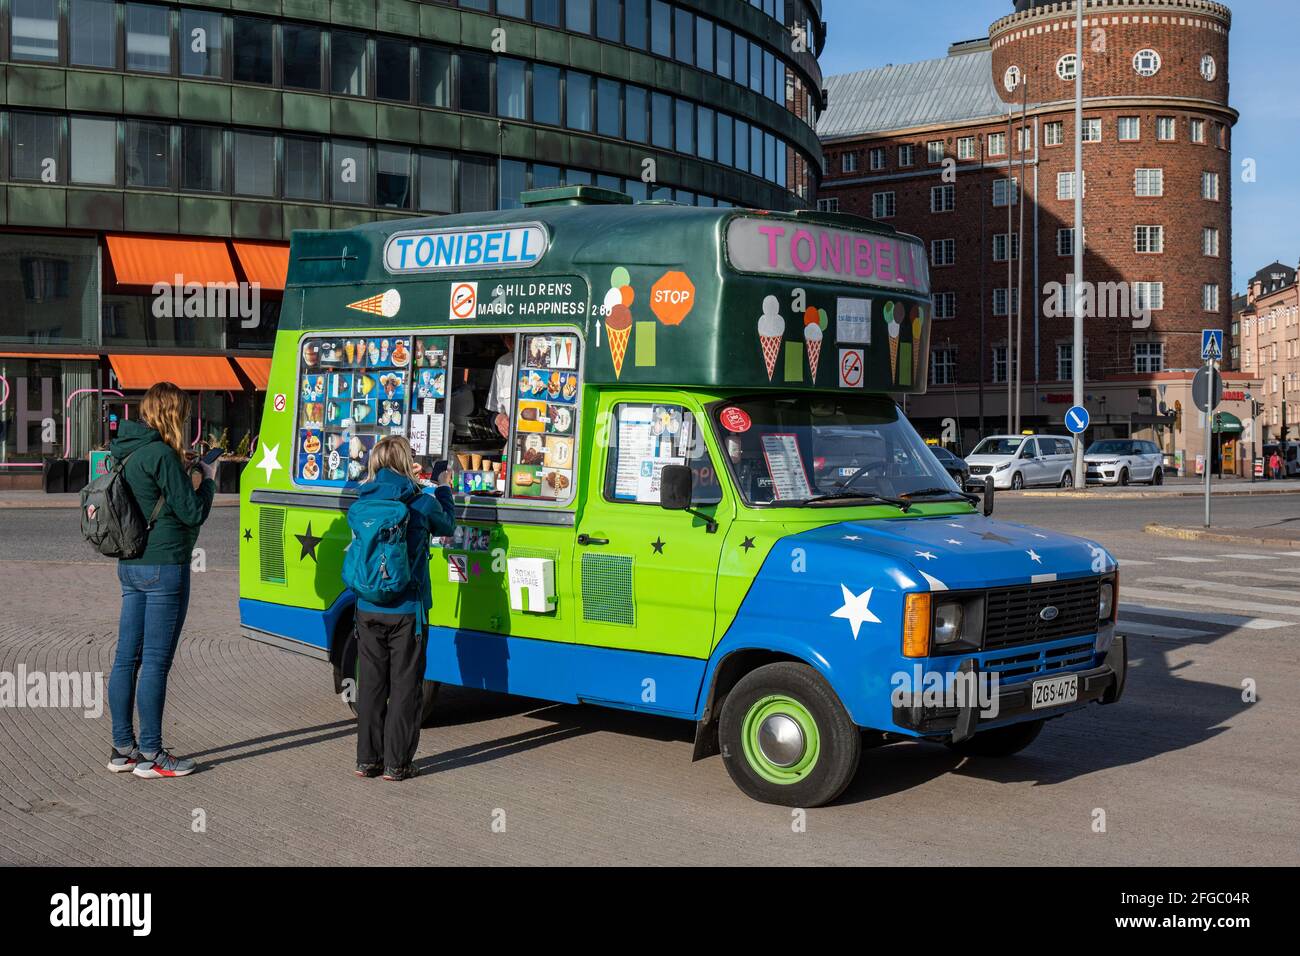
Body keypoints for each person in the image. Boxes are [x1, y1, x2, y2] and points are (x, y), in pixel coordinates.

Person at [107, 382, 216, 778]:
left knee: (126, 658)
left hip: (130, 563)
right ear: (174, 415)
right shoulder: (161, 455)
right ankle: (153, 755)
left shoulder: (127, 450)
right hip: (164, 566)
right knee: (154, 661)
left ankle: (123, 749)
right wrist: (208, 480)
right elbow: (191, 512)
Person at [351, 437, 455, 781]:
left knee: (371, 685)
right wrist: (442, 489)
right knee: (405, 687)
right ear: (405, 461)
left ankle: (367, 760)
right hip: (407, 610)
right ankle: (397, 764)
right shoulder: (420, 502)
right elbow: (448, 526)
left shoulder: (363, 498)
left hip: (366, 605)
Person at [485, 334, 516, 439]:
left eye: (512, 337)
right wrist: (498, 419)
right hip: (514, 440)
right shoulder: (502, 364)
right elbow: (492, 411)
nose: (510, 342)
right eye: (506, 337)